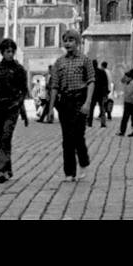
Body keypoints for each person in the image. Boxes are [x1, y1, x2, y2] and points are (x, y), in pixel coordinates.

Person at [45, 29, 95, 182]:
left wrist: (88, 103)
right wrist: (50, 109)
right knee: (67, 138)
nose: (68, 43)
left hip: (80, 100)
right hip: (65, 102)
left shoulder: (85, 60)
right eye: (65, 40)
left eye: (71, 40)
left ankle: (83, 163)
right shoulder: (59, 62)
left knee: (78, 136)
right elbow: (54, 86)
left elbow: (91, 81)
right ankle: (69, 172)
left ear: (78, 42)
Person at [0, 38, 30, 184]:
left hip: (12, 107)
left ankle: (1, 171)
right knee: (1, 140)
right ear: (2, 52)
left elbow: (24, 90)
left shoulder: (19, 69)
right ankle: (8, 169)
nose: (10, 54)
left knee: (6, 136)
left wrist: (19, 105)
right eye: (7, 51)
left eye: (12, 51)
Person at [87, 60, 111, 127]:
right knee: (102, 109)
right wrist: (105, 93)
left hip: (93, 93)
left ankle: (89, 122)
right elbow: (105, 83)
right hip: (101, 93)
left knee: (91, 108)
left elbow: (87, 83)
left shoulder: (90, 73)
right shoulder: (102, 72)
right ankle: (103, 123)